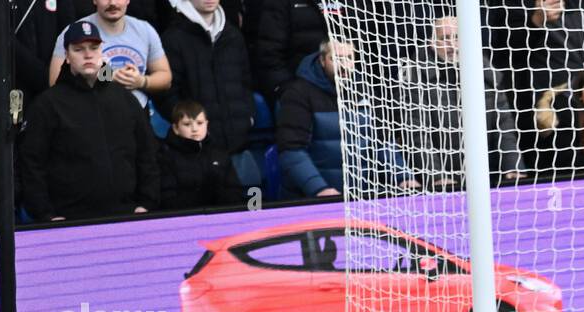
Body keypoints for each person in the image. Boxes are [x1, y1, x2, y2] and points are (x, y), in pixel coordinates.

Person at [21, 20, 161, 222]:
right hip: (71, 220)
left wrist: (147, 203)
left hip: (127, 216)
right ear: (67, 56)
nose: (88, 54)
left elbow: (147, 153)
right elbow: (32, 164)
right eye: (79, 49)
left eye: (94, 48)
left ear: (101, 51)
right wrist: (46, 214)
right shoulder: (47, 105)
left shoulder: (125, 99)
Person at [276, 39, 420, 199]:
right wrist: (318, 189)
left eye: (350, 58)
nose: (344, 65)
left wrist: (403, 176)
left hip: (362, 197)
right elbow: (292, 151)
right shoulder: (298, 94)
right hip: (311, 198)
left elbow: (383, 142)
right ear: (322, 60)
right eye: (337, 59)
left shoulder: (364, 89)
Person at [397, 16, 528, 189]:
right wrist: (437, 176)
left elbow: (504, 124)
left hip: (487, 175)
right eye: (445, 38)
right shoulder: (415, 78)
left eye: (458, 37)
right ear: (431, 43)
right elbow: (416, 133)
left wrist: (513, 166)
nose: (452, 46)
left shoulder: (486, 74)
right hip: (441, 182)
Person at [160, 0, 258, 187]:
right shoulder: (173, 38)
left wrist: (248, 117)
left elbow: (246, 82)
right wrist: (189, 125)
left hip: (238, 147)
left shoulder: (233, 36)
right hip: (194, 154)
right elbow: (167, 92)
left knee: (252, 209)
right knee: (208, 212)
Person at [50, 0, 172, 109]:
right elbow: (55, 83)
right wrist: (107, 77)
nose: (112, 3)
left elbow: (165, 77)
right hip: (91, 114)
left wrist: (141, 81)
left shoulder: (145, 30)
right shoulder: (73, 32)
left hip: (137, 115)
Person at [158, 100, 246, 210]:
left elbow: (236, 193)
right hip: (184, 221)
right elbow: (167, 200)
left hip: (221, 217)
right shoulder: (166, 157)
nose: (195, 129)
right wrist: (205, 194)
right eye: (187, 124)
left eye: (199, 123)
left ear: (207, 124)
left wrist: (220, 194)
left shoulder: (220, 154)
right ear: (176, 128)